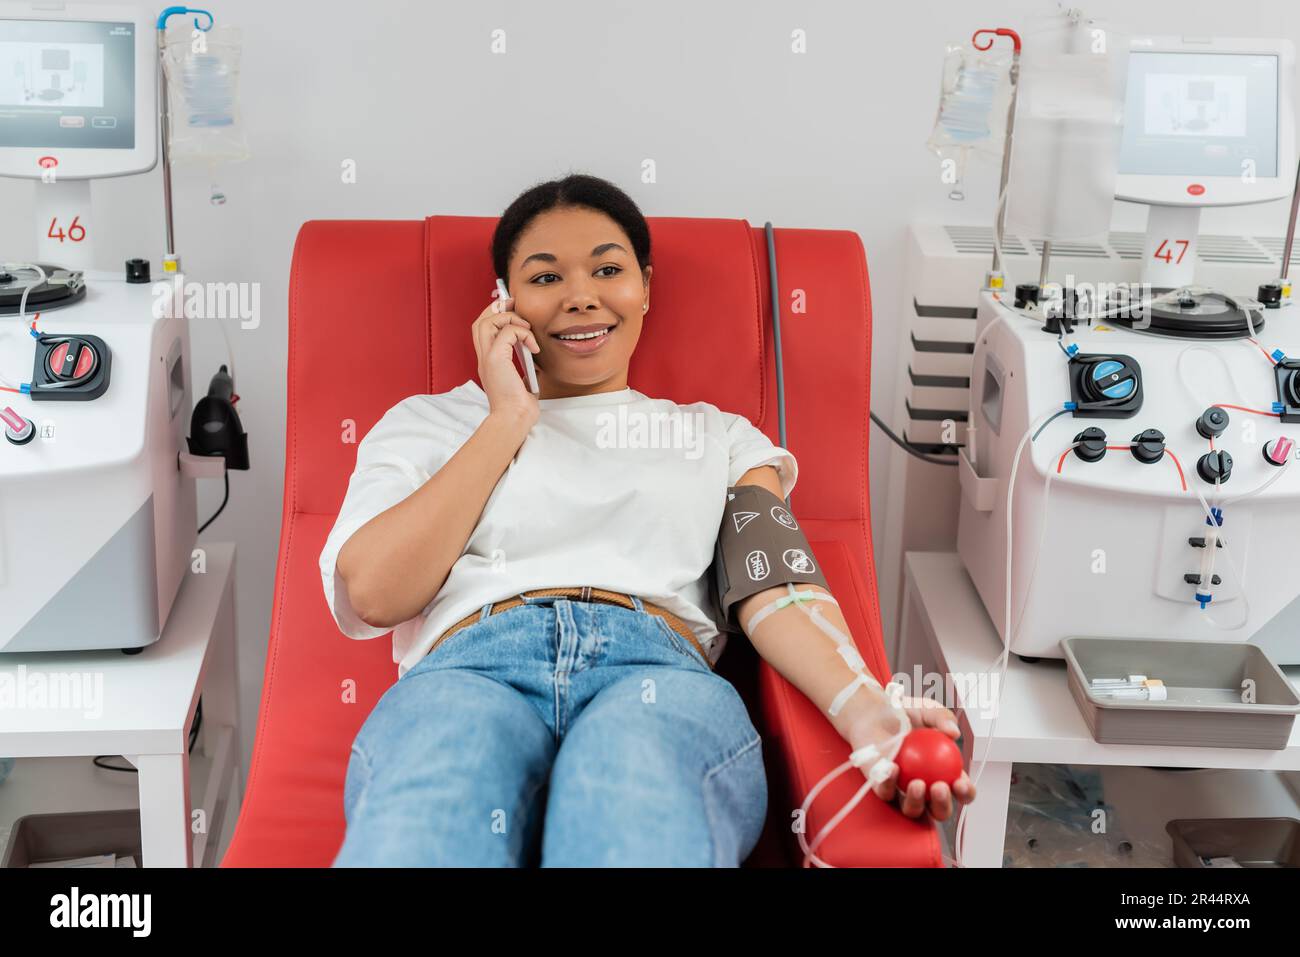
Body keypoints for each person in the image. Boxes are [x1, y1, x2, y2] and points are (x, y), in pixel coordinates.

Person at [320, 172, 975, 867]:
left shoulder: (719, 437)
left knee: (632, 803)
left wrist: (871, 712)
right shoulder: (426, 424)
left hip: (654, 674)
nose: (580, 295)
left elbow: (776, 590)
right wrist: (506, 418)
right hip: (467, 674)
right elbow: (373, 594)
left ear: (645, 287)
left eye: (608, 268)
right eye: (545, 278)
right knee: (428, 815)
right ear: (503, 303)